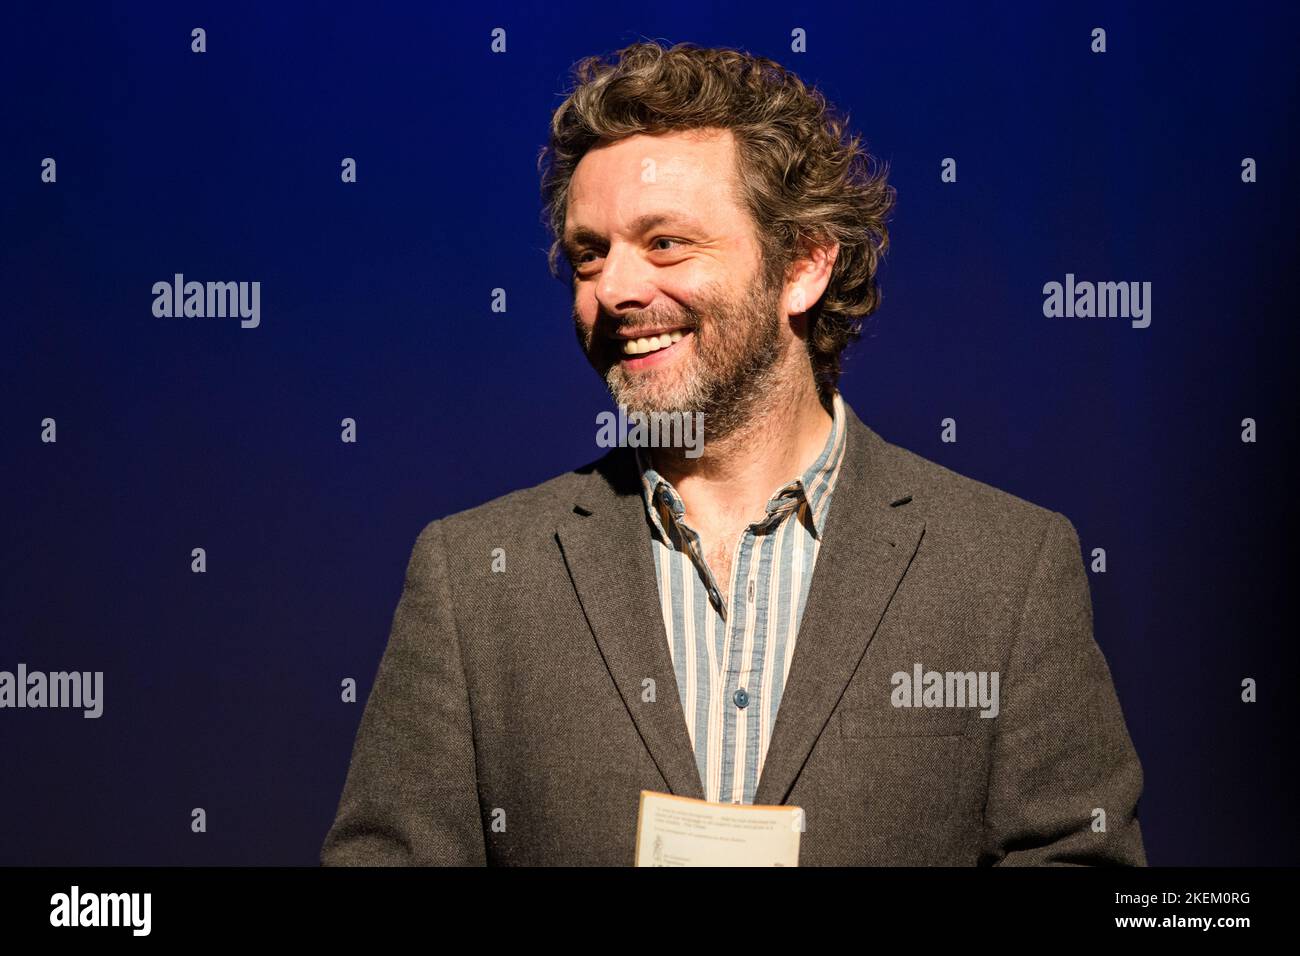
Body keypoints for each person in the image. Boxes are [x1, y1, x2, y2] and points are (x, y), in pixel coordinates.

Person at [320, 40, 1146, 866]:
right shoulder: (472, 580)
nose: (614, 290)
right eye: (589, 254)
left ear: (804, 265)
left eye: (666, 243)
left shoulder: (1006, 567)